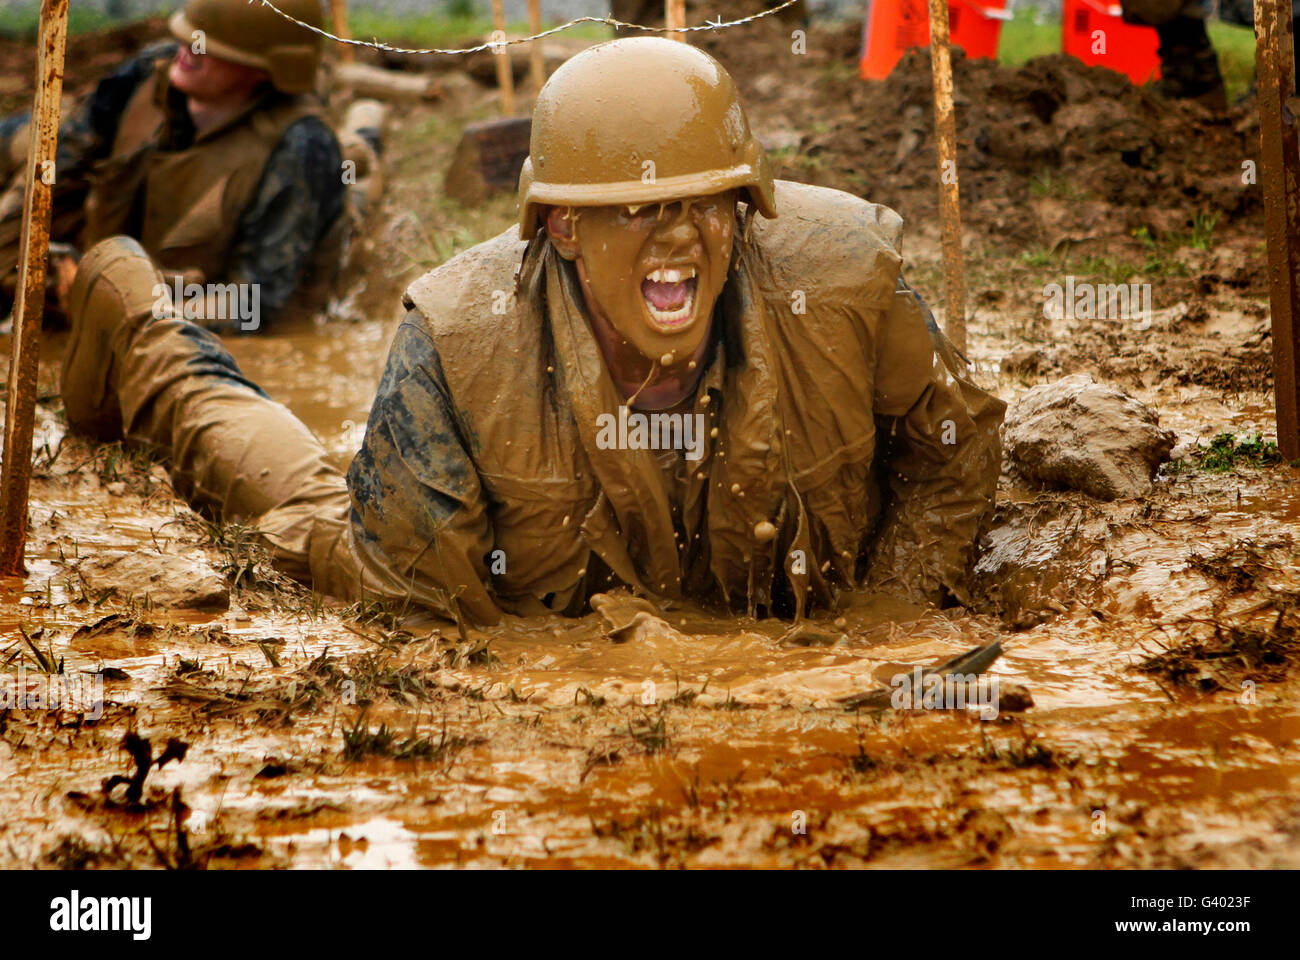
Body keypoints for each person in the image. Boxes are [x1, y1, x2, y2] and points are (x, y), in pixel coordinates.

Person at [59, 37, 1005, 627]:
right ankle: (142, 319)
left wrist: (901, 616)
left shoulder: (844, 280)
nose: (677, 234)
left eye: (703, 205)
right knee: (310, 502)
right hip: (416, 550)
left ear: (746, 210)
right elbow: (425, 620)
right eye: (633, 211)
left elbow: (951, 447)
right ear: (560, 226)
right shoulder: (459, 343)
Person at [0, 0, 344, 332]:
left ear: (265, 69)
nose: (187, 48)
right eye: (188, 35)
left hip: (180, 304)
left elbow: (256, 304)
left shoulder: (301, 145)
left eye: (213, 48)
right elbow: (55, 177)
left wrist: (118, 304)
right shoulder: (148, 75)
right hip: (119, 272)